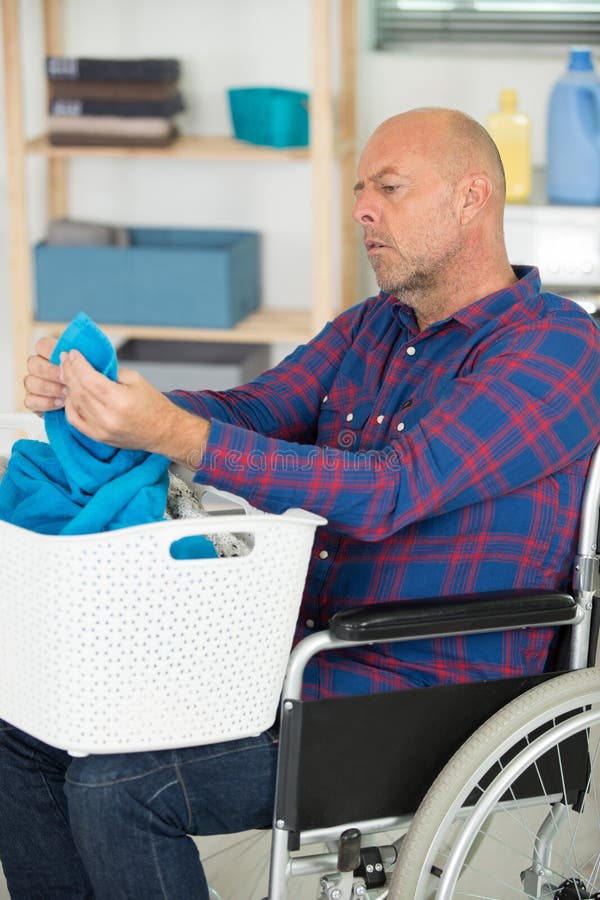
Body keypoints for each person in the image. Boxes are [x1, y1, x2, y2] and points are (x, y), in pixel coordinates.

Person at [1, 107, 599, 899]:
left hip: (425, 698)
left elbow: (393, 487)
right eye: (360, 190)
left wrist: (176, 433)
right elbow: (253, 410)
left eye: (388, 187)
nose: (362, 210)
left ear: (472, 198)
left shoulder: (558, 349)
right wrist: (118, 405)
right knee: (23, 736)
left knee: (117, 789)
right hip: (289, 662)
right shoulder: (371, 330)